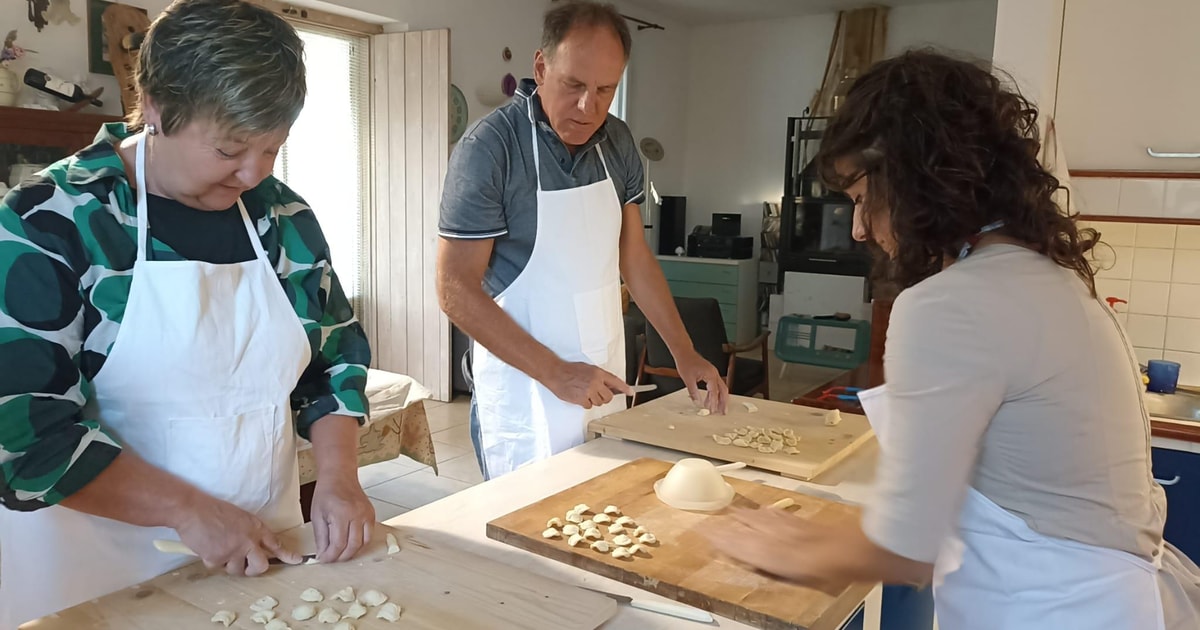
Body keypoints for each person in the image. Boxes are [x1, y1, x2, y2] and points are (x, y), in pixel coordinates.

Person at [709, 50, 1200, 629]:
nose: (859, 229)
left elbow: (905, 548)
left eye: (862, 199)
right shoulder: (1051, 277)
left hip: (1050, 612)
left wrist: (785, 546)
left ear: (915, 177)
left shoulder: (952, 302)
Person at [0, 0, 375, 624]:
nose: (252, 174)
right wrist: (186, 510)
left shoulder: (282, 217)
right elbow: (24, 437)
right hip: (96, 578)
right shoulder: (51, 221)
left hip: (266, 555)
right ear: (155, 108)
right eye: (229, 150)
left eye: (272, 149)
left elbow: (334, 363)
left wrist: (339, 477)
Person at [437, 1, 728, 480]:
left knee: (605, 503)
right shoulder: (491, 148)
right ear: (540, 67)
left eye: (605, 90)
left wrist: (683, 351)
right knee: (532, 514)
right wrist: (556, 372)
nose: (588, 106)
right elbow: (455, 290)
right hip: (527, 390)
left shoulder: (618, 142)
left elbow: (634, 258)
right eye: (574, 85)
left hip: (603, 374)